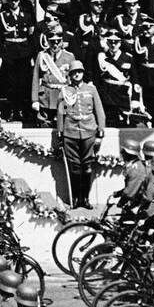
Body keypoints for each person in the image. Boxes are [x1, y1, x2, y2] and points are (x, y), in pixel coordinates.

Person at [54, 61, 105, 208]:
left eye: (79, 71)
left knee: (87, 166)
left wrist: (100, 133)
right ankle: (76, 199)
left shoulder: (91, 89)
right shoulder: (65, 91)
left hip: (89, 131)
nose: (77, 74)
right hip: (71, 132)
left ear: (83, 73)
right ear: (70, 75)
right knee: (75, 166)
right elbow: (60, 113)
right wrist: (60, 132)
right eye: (74, 72)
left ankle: (85, 198)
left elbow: (99, 111)